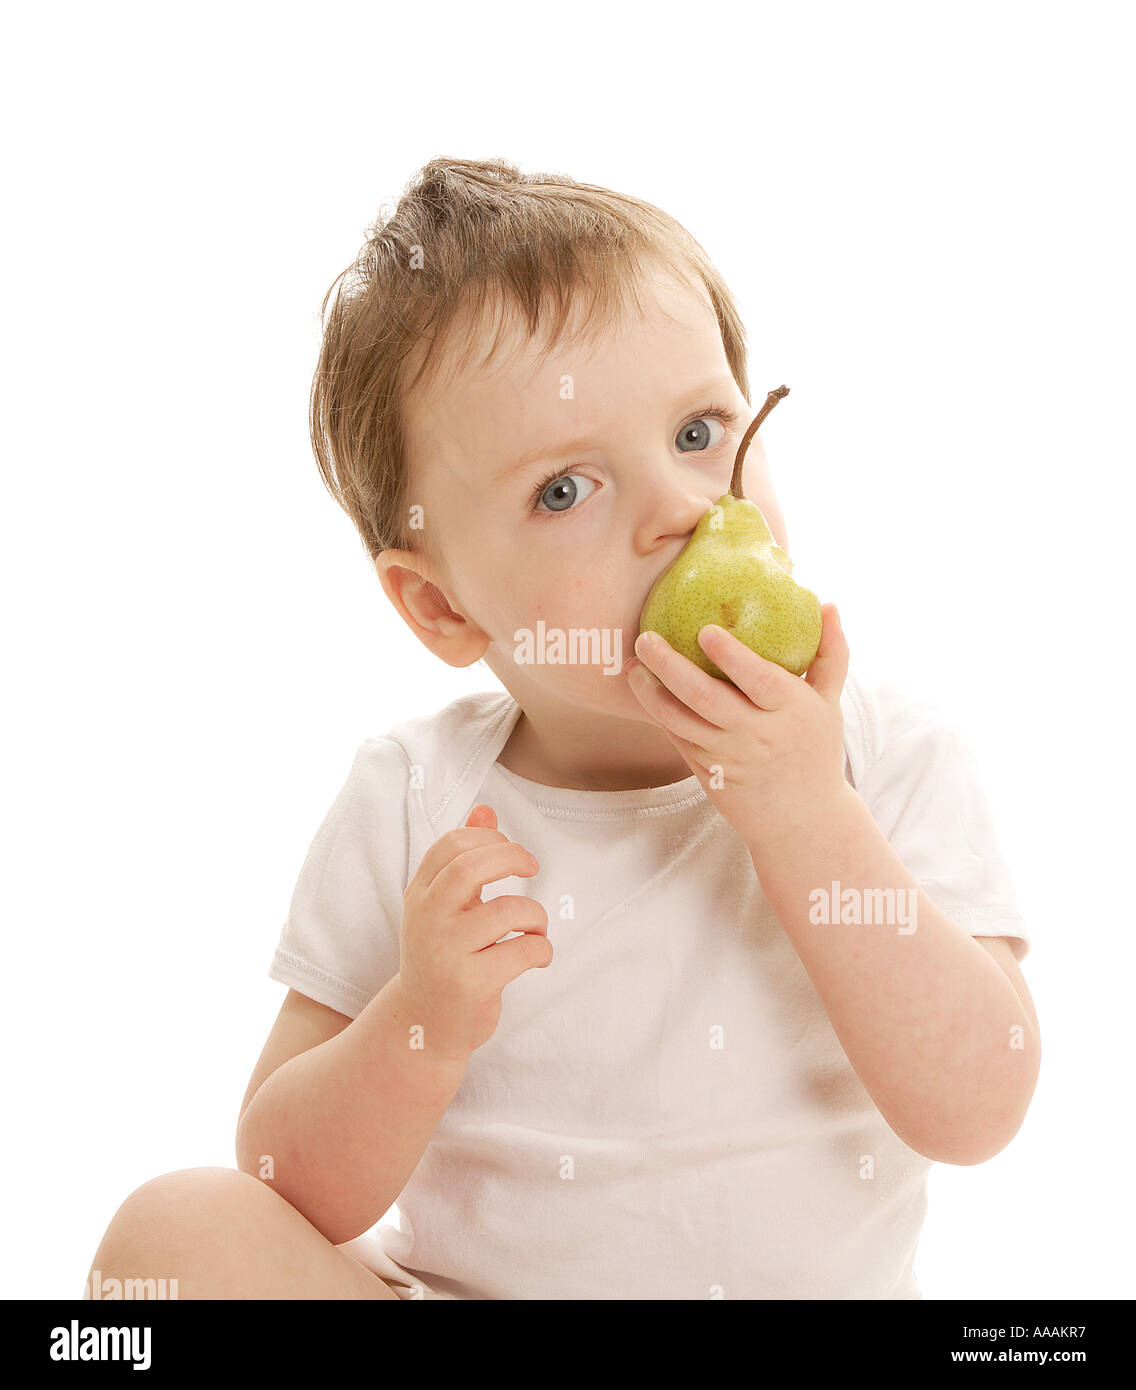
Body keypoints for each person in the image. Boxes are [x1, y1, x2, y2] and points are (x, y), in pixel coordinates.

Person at [83, 156, 1039, 1301]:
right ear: (440, 605)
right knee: (175, 1240)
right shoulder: (416, 796)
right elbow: (289, 1176)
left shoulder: (882, 756)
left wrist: (802, 813)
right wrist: (421, 1020)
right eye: (564, 490)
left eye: (698, 432)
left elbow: (978, 1108)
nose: (679, 511)